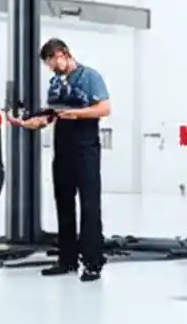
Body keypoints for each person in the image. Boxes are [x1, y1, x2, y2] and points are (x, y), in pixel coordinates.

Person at [8, 38, 111, 282]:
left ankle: (92, 263)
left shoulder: (90, 77)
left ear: (62, 54)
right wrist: (30, 122)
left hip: (86, 149)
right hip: (62, 148)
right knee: (64, 203)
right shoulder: (55, 83)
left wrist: (77, 113)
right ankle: (67, 260)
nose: (52, 68)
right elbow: (51, 115)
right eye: (48, 65)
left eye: (53, 61)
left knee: (89, 205)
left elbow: (104, 108)